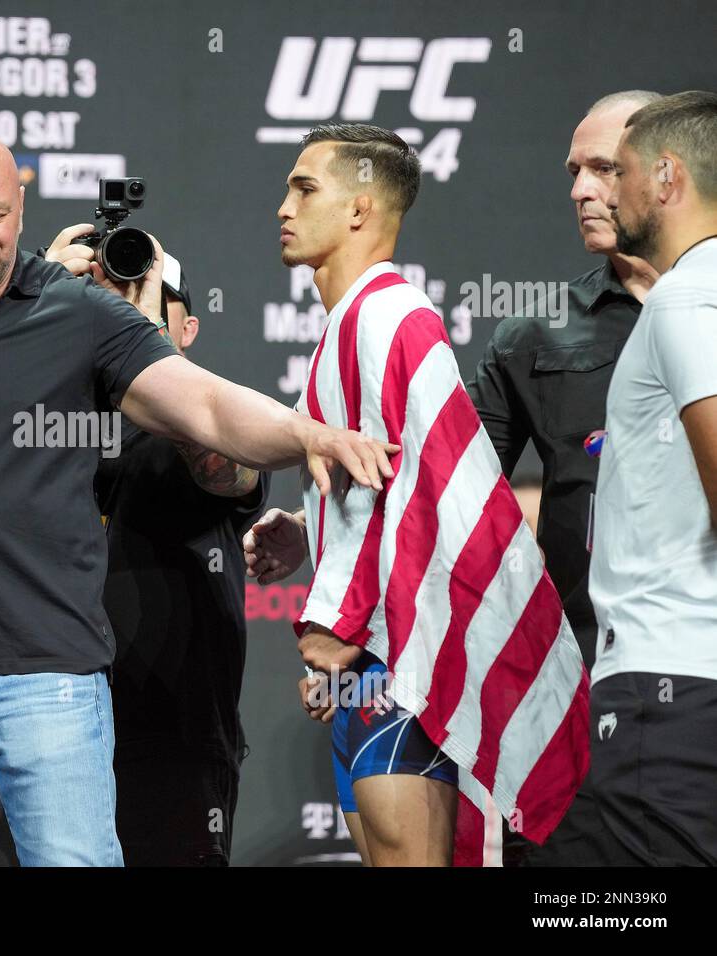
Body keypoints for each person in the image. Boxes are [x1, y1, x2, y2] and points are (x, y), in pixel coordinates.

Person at [0, 129, 398, 866]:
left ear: (20, 208)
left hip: (48, 688)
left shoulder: (78, 314)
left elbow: (205, 407)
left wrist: (307, 434)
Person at [243, 123, 587, 866]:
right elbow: (397, 477)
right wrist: (312, 529)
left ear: (362, 209)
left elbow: (449, 493)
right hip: (368, 661)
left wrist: (339, 617)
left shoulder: (392, 316)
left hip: (397, 664)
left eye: (305, 189)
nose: (283, 206)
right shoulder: (349, 323)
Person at [464, 91, 662, 865]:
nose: (579, 189)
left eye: (602, 169)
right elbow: (451, 485)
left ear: (667, 174)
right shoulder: (536, 331)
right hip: (572, 690)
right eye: (574, 171)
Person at [44, 233, 267, 865]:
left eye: (137, 302)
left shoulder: (217, 415)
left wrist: (147, 356)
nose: (112, 316)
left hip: (173, 741)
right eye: (95, 302)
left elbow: (232, 472)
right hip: (35, 736)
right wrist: (29, 304)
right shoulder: (26, 421)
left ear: (187, 327)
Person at [589, 90, 717, 865]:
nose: (608, 192)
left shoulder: (686, 297)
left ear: (666, 177)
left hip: (667, 688)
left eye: (621, 172)